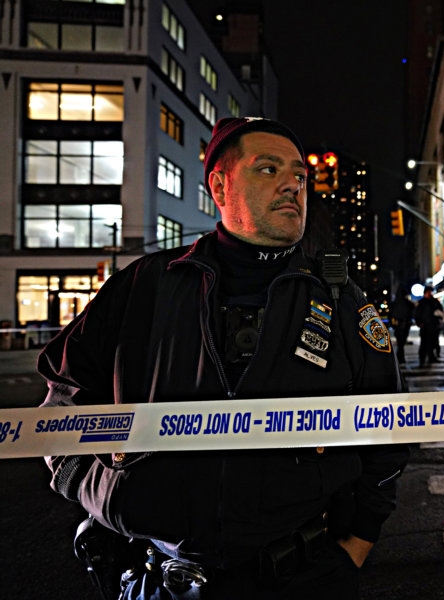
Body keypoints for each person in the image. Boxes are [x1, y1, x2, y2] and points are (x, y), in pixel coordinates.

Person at [37, 117, 409, 600]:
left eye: (299, 175)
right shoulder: (145, 285)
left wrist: (360, 539)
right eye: (267, 169)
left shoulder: (338, 297)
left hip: (303, 575)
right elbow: (61, 397)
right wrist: (95, 490)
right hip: (160, 577)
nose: (291, 186)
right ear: (219, 184)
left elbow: (390, 425)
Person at [413, 285, 443, 367]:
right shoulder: (422, 302)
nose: (430, 294)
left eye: (431, 292)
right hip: (425, 326)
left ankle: (431, 357)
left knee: (433, 342)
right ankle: (422, 358)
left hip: (433, 326)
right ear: (425, 293)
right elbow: (416, 314)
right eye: (429, 292)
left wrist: (439, 317)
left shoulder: (434, 301)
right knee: (424, 343)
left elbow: (440, 310)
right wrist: (419, 323)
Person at [390, 292, 415, 364]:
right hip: (405, 325)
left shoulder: (394, 304)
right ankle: (400, 357)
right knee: (401, 343)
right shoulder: (408, 303)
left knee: (400, 342)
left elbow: (390, 315)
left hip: (397, 325)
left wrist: (392, 325)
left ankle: (399, 357)